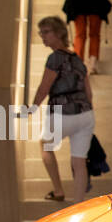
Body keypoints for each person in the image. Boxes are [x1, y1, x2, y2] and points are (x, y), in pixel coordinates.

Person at [32, 16, 96, 203]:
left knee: (45, 145)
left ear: (59, 33)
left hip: (62, 113)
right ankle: (78, 204)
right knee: (79, 161)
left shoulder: (55, 58)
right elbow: (88, 92)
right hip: (85, 114)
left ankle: (59, 190)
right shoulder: (77, 58)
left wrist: (32, 108)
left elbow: (44, 87)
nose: (43, 36)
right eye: (41, 32)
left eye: (46, 32)